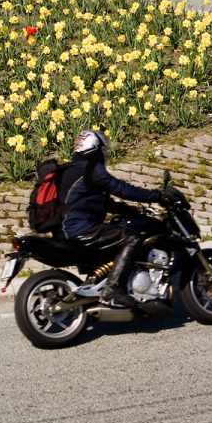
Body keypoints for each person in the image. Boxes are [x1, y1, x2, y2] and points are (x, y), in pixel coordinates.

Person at [60, 128, 176, 306]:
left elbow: (94, 202)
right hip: (82, 228)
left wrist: (127, 210)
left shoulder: (72, 170)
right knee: (133, 238)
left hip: (69, 227)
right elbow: (120, 188)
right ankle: (113, 288)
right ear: (95, 147)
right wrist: (156, 196)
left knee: (119, 231)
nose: (103, 154)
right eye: (102, 149)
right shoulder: (92, 168)